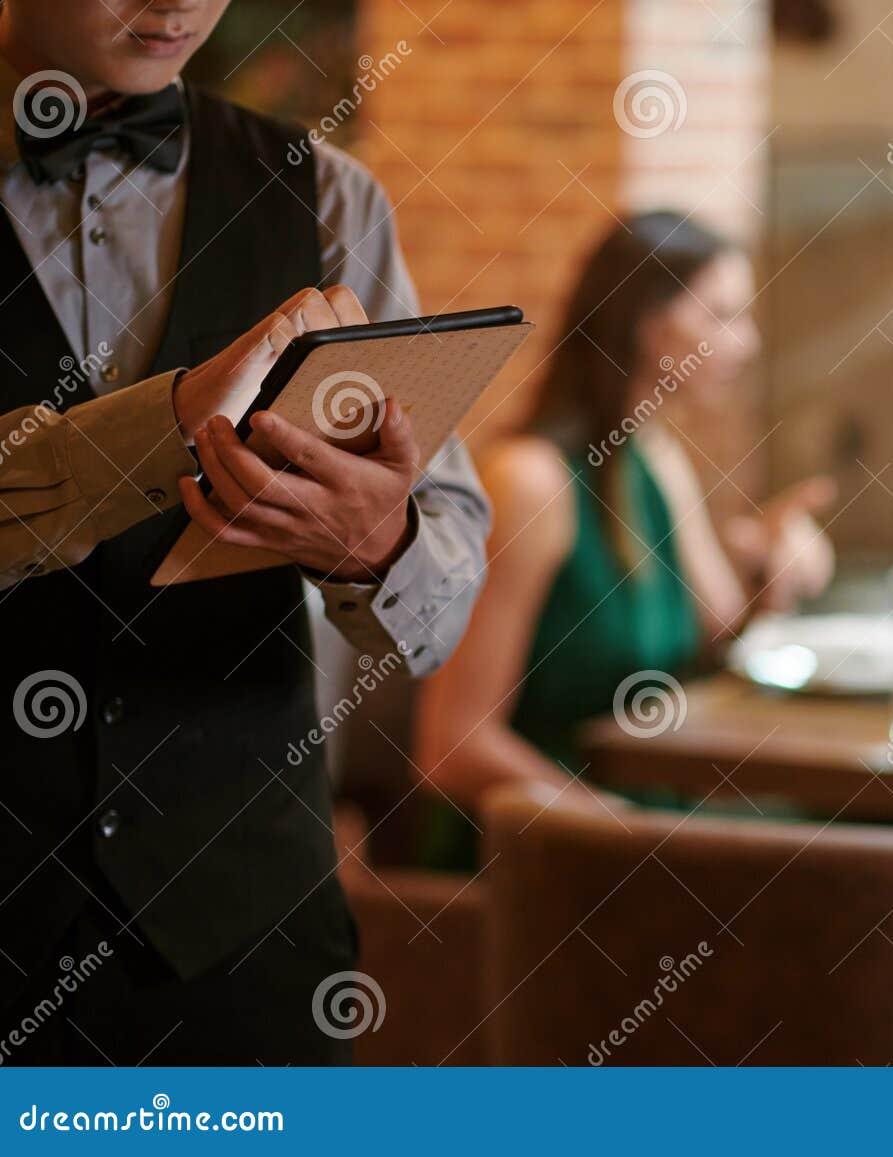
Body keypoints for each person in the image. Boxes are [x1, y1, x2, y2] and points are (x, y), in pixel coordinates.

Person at [0, 1, 489, 1063]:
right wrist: (168, 422)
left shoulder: (328, 195)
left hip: (250, 945)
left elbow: (443, 590)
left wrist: (381, 546)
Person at [413, 211, 834, 868]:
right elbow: (452, 747)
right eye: (722, 316)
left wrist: (776, 566)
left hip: (637, 828)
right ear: (645, 321)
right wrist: (622, 831)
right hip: (542, 851)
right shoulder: (530, 481)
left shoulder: (657, 457)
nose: (747, 342)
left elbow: (718, 641)